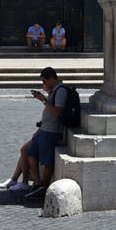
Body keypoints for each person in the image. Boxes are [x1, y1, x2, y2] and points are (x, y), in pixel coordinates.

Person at [25, 66, 68, 199]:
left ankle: (44, 186)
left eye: (44, 81)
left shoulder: (60, 91)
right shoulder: (54, 90)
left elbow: (57, 112)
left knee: (46, 160)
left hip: (51, 130)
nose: (43, 84)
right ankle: (38, 183)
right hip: (44, 129)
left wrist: (43, 99)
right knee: (30, 152)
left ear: (51, 79)